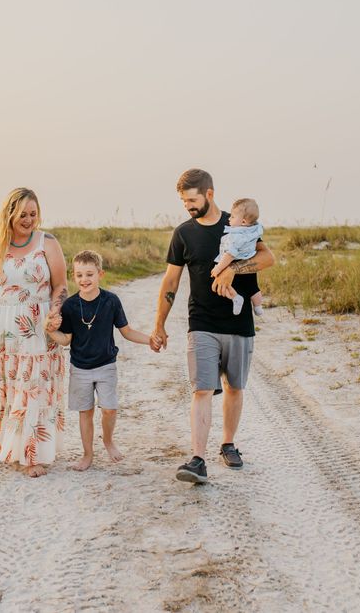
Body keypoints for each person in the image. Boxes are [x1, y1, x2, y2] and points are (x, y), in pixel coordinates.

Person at [151, 169, 275, 484]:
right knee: (202, 389)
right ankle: (197, 459)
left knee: (235, 387)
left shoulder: (236, 223)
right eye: (183, 201)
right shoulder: (183, 233)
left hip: (238, 321)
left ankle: (228, 444)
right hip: (201, 322)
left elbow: (267, 258)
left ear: (209, 194)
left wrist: (233, 269)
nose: (188, 206)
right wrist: (159, 324)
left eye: (192, 200)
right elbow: (171, 280)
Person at [0, 187, 68, 478]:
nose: (29, 220)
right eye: (23, 214)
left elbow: (60, 285)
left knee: (31, 387)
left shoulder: (48, 243)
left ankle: (29, 453)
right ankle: (3, 443)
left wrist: (56, 311)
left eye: (33, 214)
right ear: (9, 214)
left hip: (36, 328)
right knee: (4, 384)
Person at [45, 250, 158, 471]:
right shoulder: (69, 306)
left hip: (106, 365)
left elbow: (127, 331)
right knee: (85, 412)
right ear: (74, 276)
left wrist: (150, 340)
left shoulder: (111, 301)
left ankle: (108, 440)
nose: (84, 280)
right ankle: (88, 454)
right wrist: (50, 332)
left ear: (100, 274)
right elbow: (66, 340)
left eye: (89, 274)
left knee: (109, 409)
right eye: (79, 275)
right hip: (80, 368)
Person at [210, 197, 265, 316]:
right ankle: (258, 306)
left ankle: (236, 297)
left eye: (233, 217)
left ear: (243, 222)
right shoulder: (255, 229)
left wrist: (218, 268)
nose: (229, 218)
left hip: (236, 259)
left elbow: (229, 255)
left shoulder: (235, 237)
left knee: (221, 280)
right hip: (249, 259)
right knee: (253, 287)